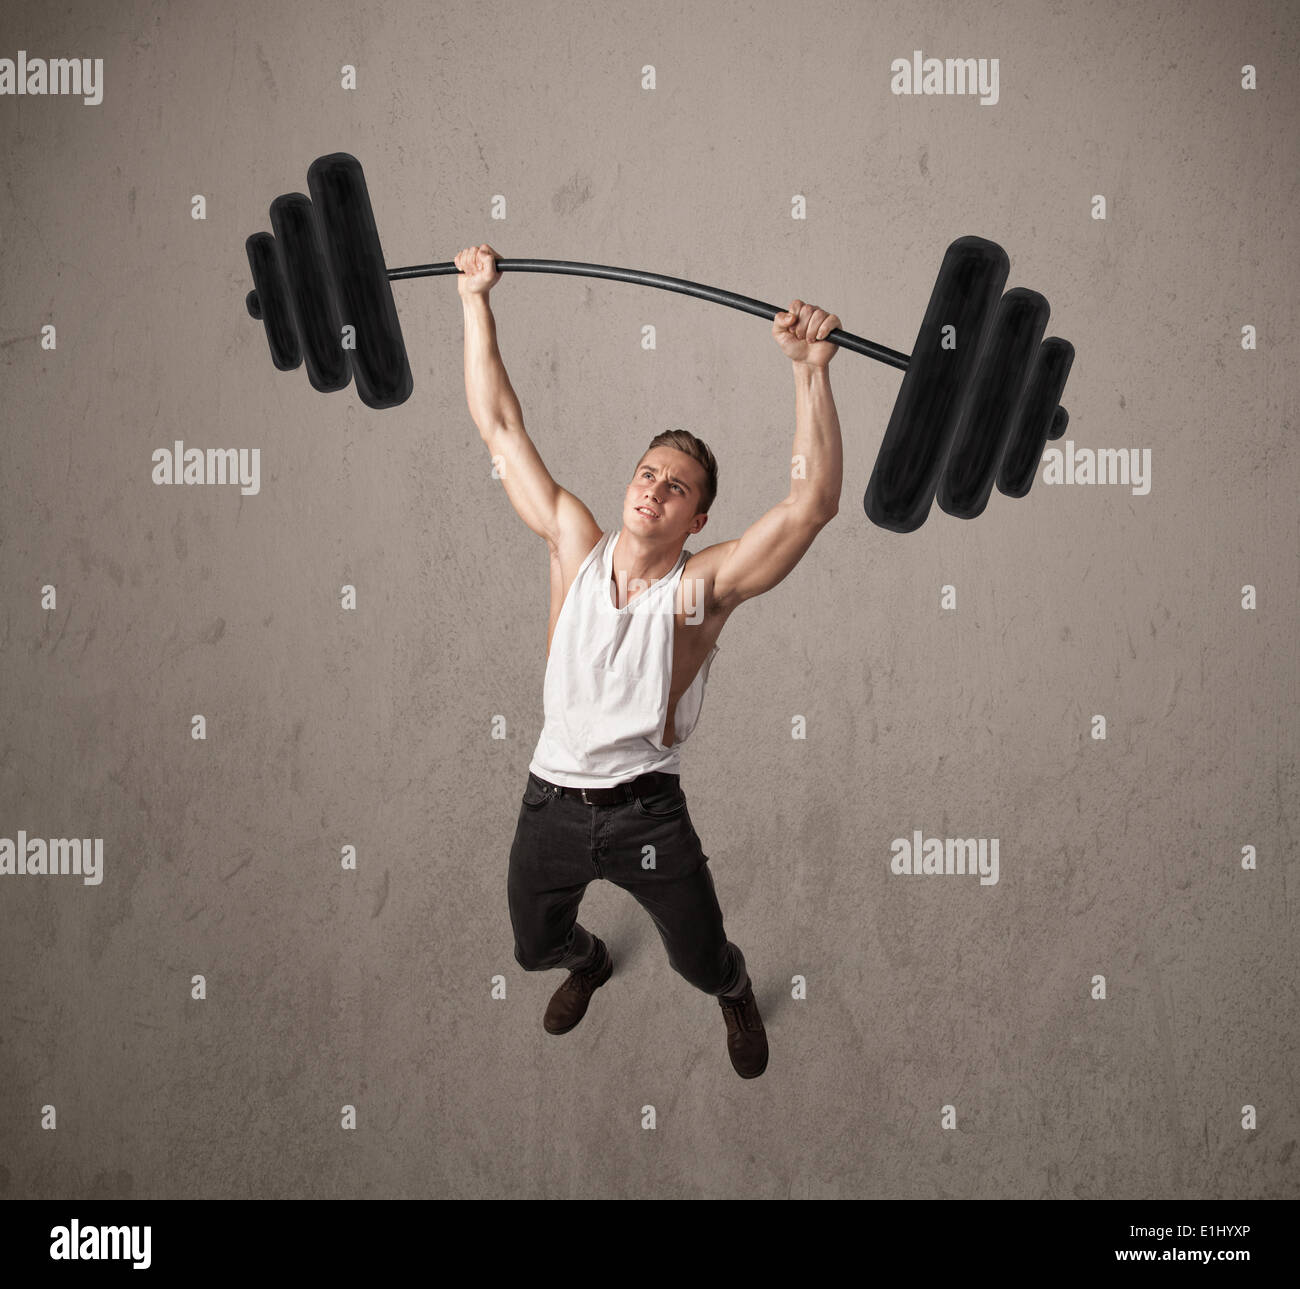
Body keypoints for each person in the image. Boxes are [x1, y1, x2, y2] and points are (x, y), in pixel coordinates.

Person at [456, 242, 843, 1079]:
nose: (654, 489)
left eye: (677, 487)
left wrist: (810, 371)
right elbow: (498, 424)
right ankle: (588, 961)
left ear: (696, 518)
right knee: (533, 947)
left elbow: (810, 506)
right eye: (647, 472)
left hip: (646, 815)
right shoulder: (572, 544)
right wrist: (475, 301)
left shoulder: (699, 593)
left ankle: (734, 990)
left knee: (701, 959)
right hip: (549, 801)